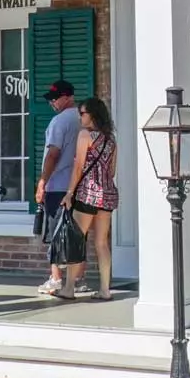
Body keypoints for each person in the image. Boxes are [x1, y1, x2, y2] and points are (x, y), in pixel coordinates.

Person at [34, 80, 88, 297]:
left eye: (55, 98)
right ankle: (78, 280)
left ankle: (56, 279)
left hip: (59, 186)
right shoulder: (84, 120)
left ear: (68, 97)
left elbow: (53, 154)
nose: (52, 102)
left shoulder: (59, 122)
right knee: (78, 233)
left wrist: (42, 182)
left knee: (55, 232)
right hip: (81, 185)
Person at [64, 96, 119, 301]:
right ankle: (105, 290)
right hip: (107, 194)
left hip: (87, 193)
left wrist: (69, 193)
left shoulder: (85, 135)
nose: (80, 117)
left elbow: (78, 168)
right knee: (102, 243)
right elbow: (112, 171)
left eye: (82, 113)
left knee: (77, 240)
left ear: (92, 114)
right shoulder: (111, 139)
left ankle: (69, 288)